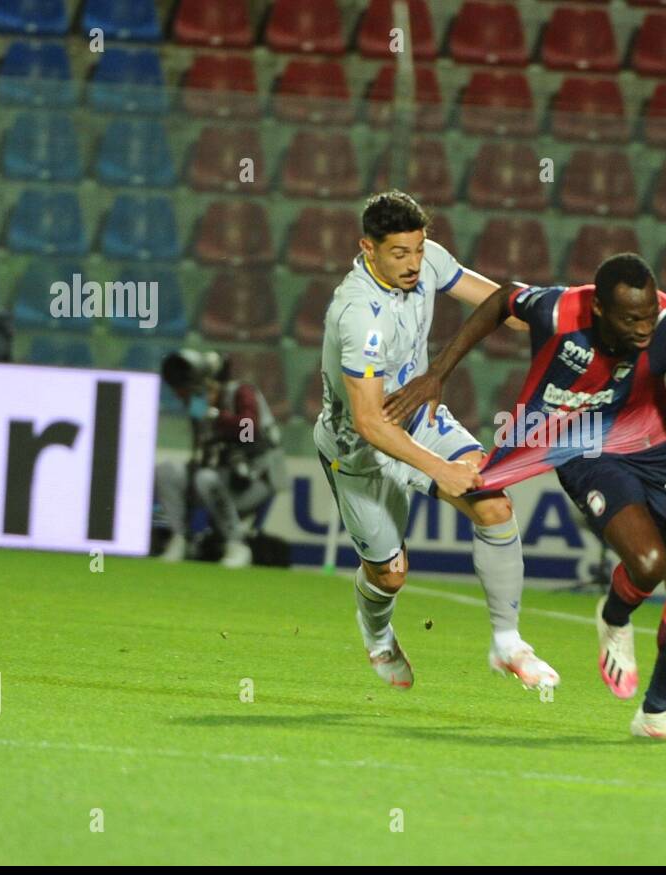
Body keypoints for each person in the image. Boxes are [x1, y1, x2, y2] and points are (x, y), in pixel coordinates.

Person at [385, 253, 666, 740]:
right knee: (649, 563)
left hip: (658, 451)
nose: (644, 328)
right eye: (631, 319)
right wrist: (439, 370)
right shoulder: (557, 310)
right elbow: (504, 296)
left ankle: (656, 713)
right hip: (582, 448)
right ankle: (614, 619)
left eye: (649, 315)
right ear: (600, 312)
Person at [314, 190, 558, 691]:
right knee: (389, 576)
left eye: (419, 249)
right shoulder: (358, 315)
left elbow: (502, 306)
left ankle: (508, 643)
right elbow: (368, 421)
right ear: (367, 248)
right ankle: (378, 636)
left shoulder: (428, 262)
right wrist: (441, 470)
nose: (413, 263)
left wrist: (559, 316)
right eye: (399, 253)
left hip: (419, 419)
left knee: (493, 504)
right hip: (362, 450)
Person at [155, 349, 288, 569]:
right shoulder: (198, 404)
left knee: (205, 478)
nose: (186, 395)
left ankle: (237, 545)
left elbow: (248, 432)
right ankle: (180, 539)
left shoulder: (241, 392)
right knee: (167, 471)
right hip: (219, 478)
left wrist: (219, 417)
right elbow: (201, 446)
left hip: (255, 478)